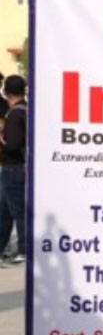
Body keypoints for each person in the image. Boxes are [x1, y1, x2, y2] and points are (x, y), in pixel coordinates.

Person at [0, 74, 27, 266]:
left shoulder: (15, 114)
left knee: (17, 211)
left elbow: (13, 144)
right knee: (5, 211)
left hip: (13, 168)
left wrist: (2, 140)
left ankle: (24, 249)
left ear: (6, 91)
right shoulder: (26, 109)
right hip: (18, 167)